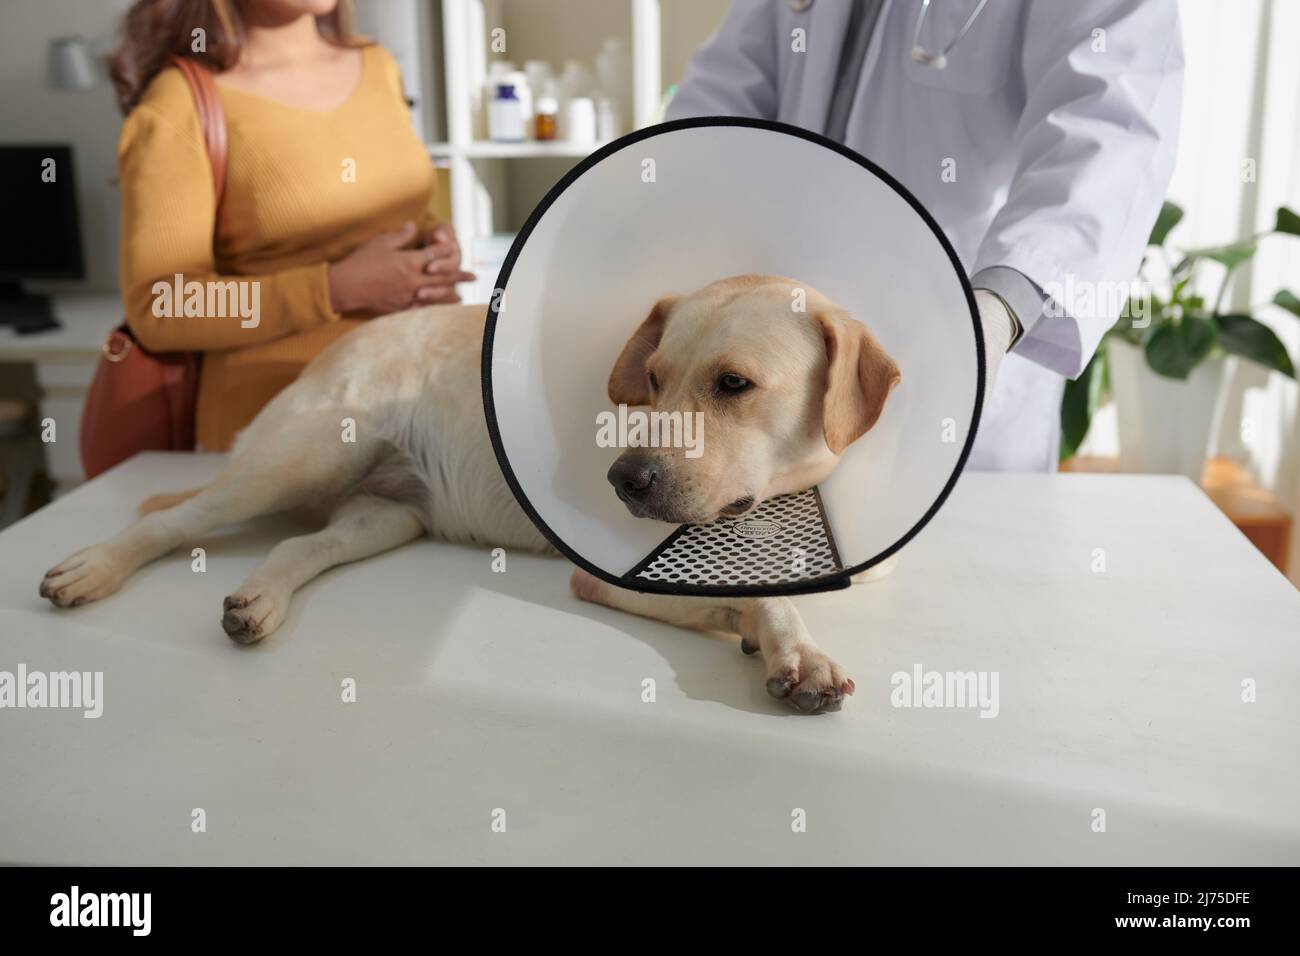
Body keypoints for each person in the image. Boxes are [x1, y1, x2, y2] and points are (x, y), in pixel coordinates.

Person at [667, 0, 1183, 470]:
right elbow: (716, 108)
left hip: (953, 351)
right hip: (774, 387)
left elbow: (1109, 129)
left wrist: (998, 310)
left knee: (951, 563)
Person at [110, 0, 473, 451]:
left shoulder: (377, 64)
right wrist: (334, 290)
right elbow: (161, 305)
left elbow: (395, 211)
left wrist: (434, 245)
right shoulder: (179, 103)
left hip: (420, 406)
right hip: (280, 434)